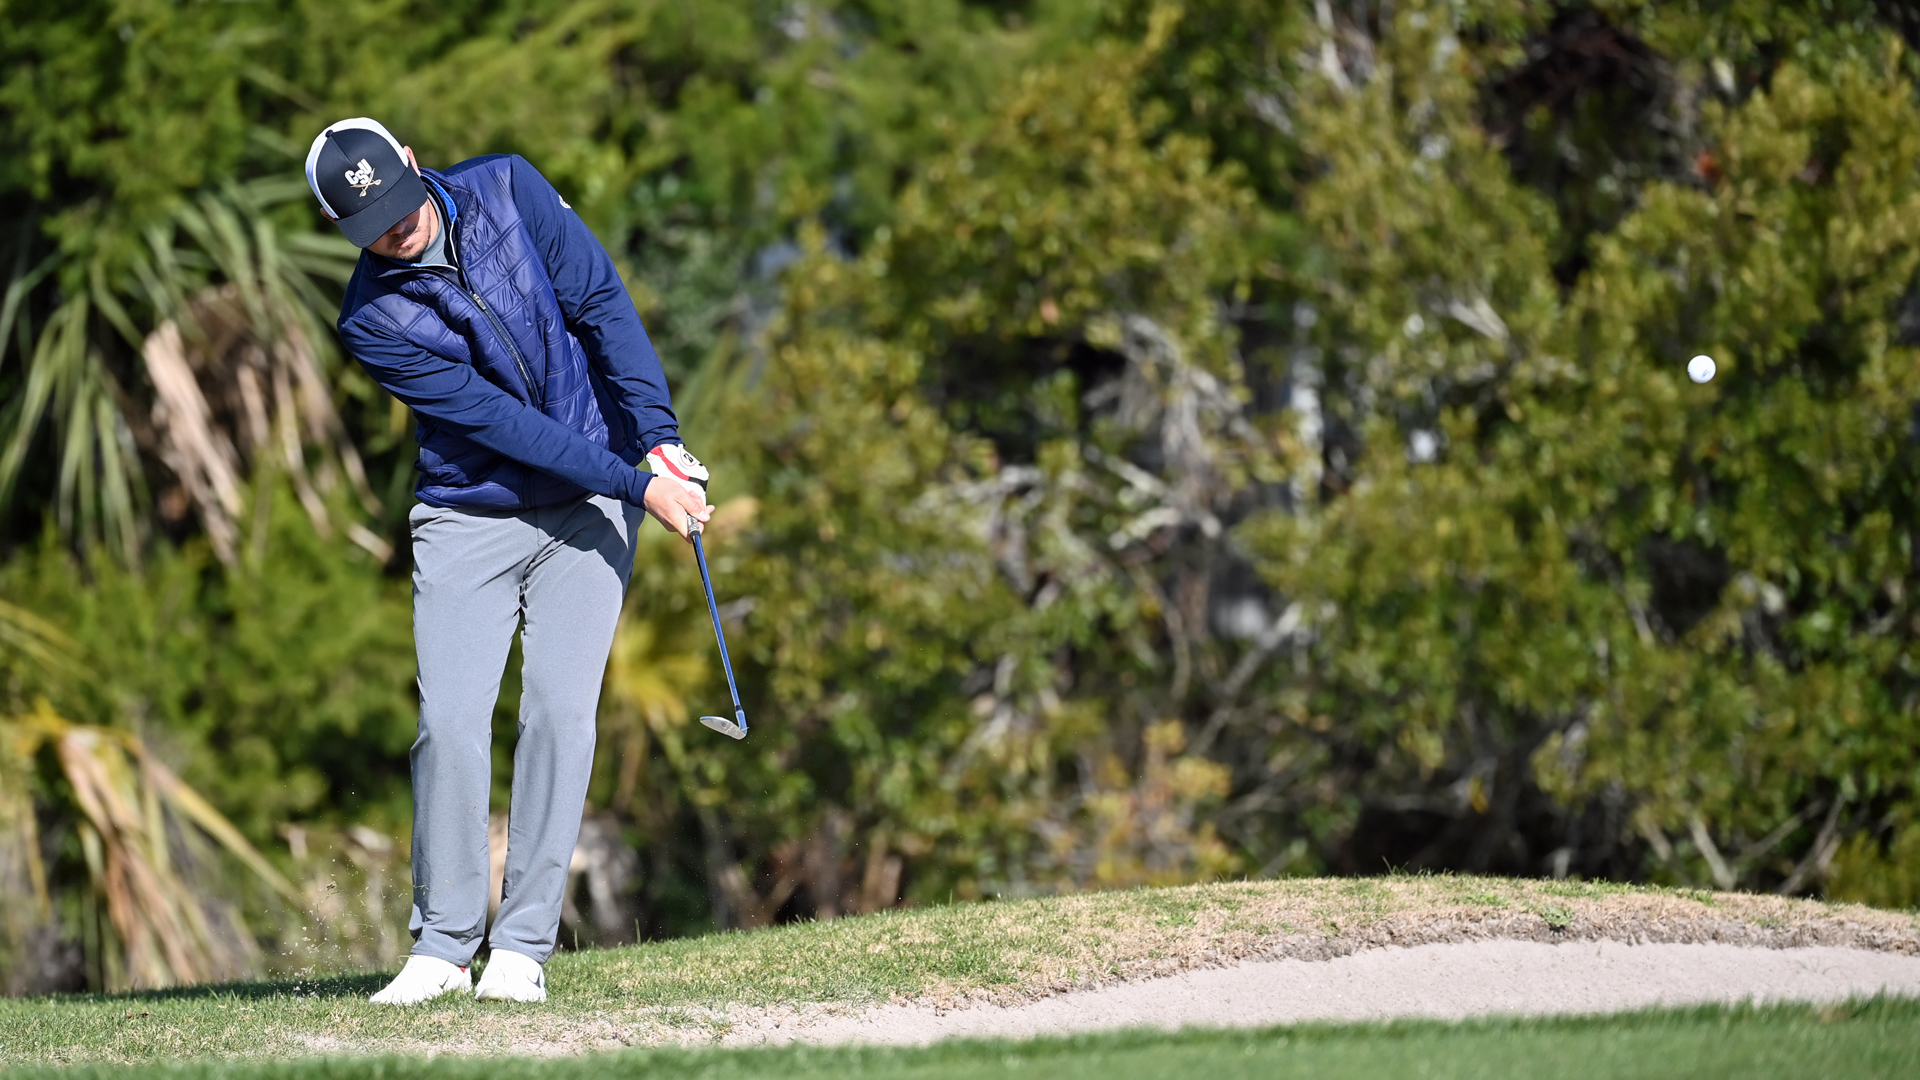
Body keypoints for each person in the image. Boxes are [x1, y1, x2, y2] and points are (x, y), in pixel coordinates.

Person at [304, 118, 713, 1005]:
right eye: (368, 224)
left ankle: (522, 947)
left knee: (560, 717)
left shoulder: (510, 190)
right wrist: (636, 483)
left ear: (413, 162)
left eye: (399, 204)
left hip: (589, 503)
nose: (395, 229)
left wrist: (661, 442)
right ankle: (444, 946)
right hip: (469, 514)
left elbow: (601, 304)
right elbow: (498, 423)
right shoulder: (370, 318)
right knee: (450, 723)